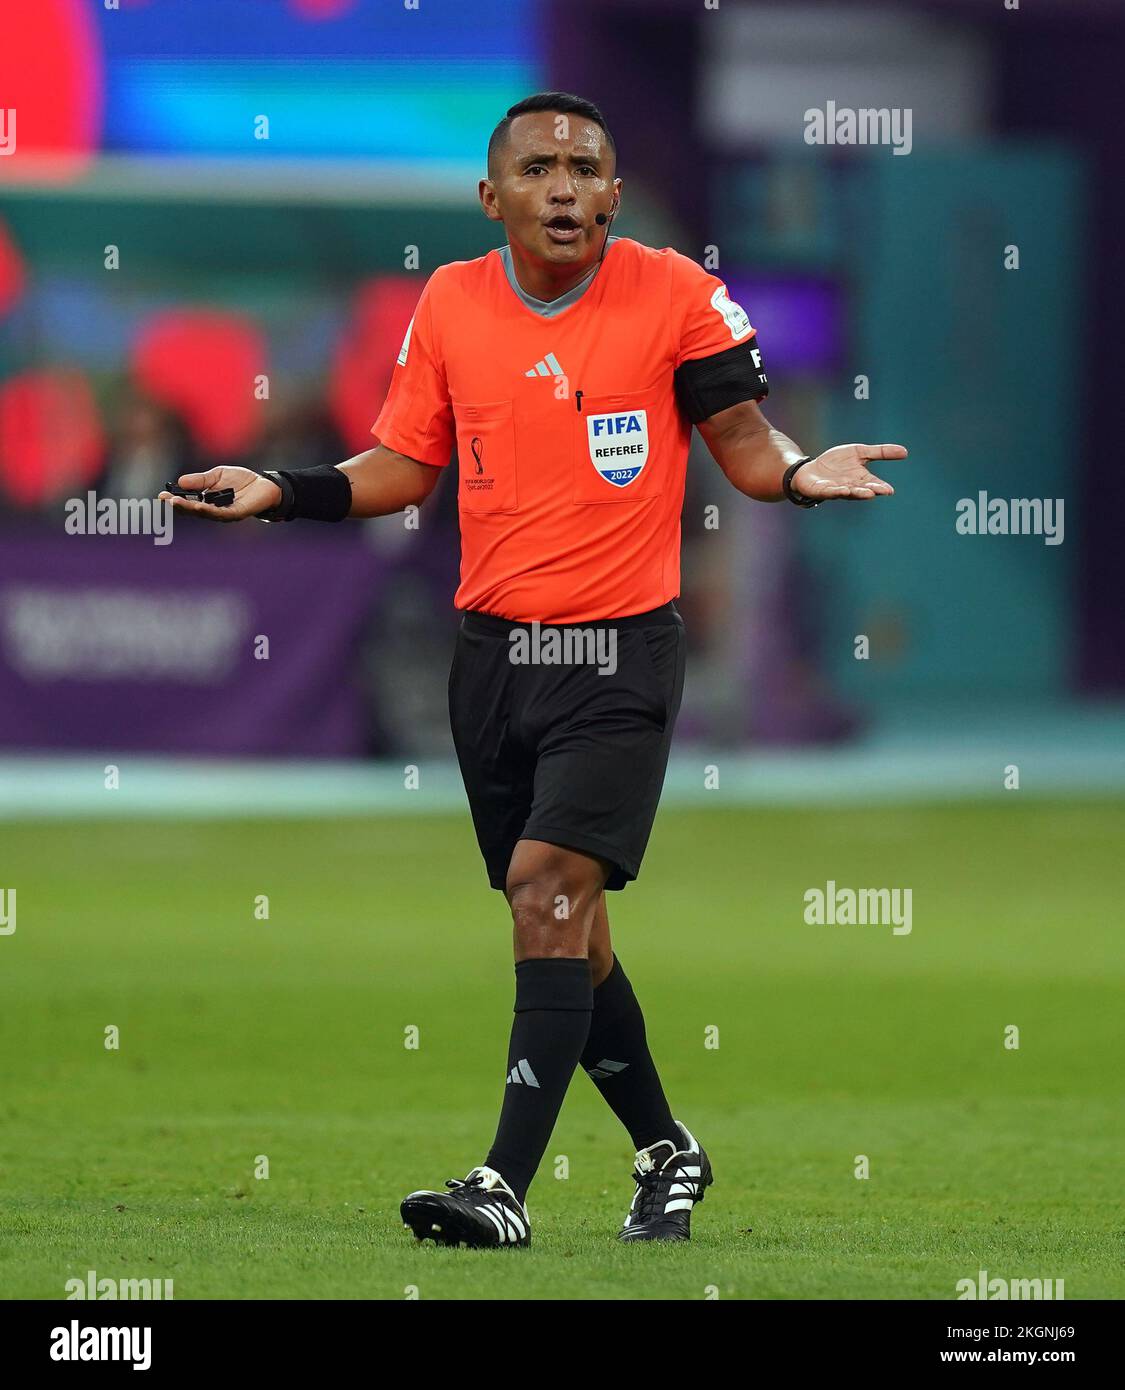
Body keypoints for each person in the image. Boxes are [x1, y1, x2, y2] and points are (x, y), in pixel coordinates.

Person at [160, 91, 907, 1249]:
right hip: (492, 660)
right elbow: (403, 466)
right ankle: (669, 1149)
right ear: (493, 197)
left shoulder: (675, 294)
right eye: (541, 166)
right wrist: (286, 491)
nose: (565, 185)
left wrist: (806, 474)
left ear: (614, 192)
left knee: (547, 888)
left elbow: (748, 445)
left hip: (618, 654)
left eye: (586, 166)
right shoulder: (452, 302)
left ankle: (501, 1186)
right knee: (570, 926)